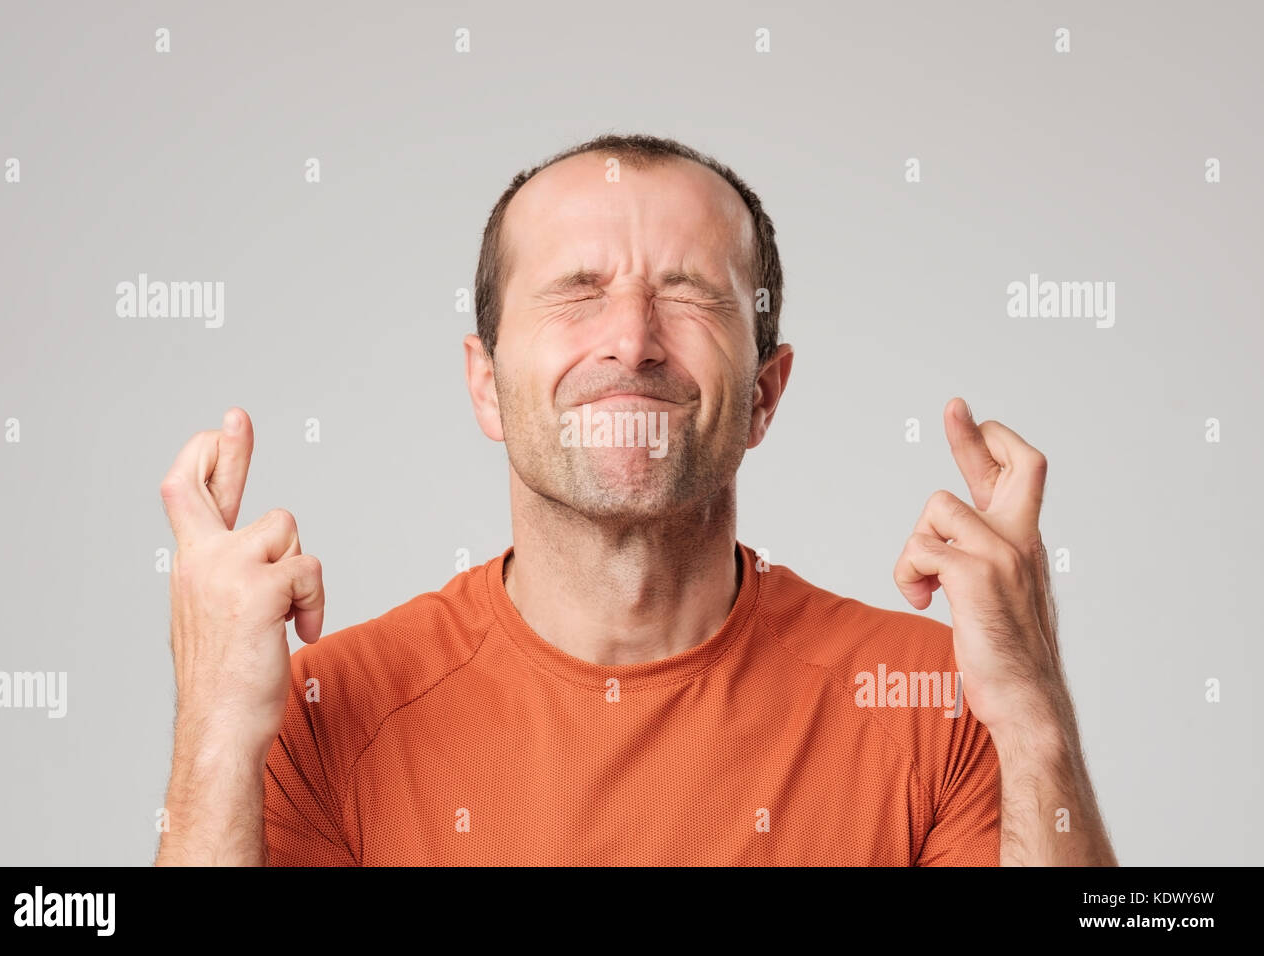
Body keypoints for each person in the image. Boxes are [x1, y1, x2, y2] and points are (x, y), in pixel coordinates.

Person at [154, 134, 1116, 866]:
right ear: (486, 384)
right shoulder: (329, 713)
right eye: (577, 292)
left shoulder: (936, 704)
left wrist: (1033, 712)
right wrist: (213, 732)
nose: (633, 340)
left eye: (691, 293)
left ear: (765, 395)